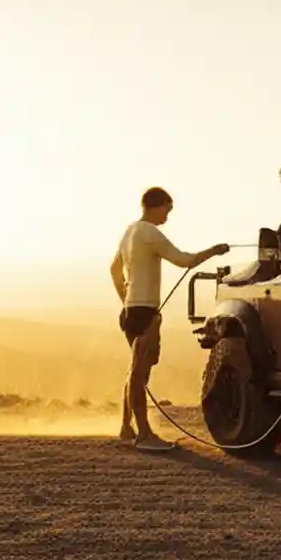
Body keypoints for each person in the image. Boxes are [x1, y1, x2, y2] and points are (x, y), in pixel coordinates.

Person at [110, 186, 228, 450]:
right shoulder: (150, 233)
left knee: (135, 370)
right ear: (156, 205)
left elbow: (114, 270)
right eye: (167, 209)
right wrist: (214, 250)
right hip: (144, 311)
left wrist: (125, 300)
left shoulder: (129, 232)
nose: (167, 216)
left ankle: (126, 427)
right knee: (140, 374)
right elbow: (185, 260)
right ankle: (144, 436)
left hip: (132, 310)